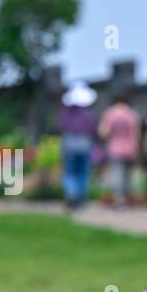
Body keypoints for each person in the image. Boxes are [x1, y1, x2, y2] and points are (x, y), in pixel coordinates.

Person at [58, 82, 98, 210]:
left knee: (69, 172)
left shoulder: (65, 114)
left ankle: (71, 194)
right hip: (84, 144)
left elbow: (60, 127)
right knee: (82, 173)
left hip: (68, 143)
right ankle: (79, 198)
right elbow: (94, 130)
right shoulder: (89, 114)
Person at [98, 95, 140, 207]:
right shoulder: (131, 114)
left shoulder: (110, 113)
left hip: (115, 147)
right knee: (127, 176)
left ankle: (119, 200)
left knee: (117, 174)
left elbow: (103, 132)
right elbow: (135, 134)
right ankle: (127, 199)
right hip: (130, 147)